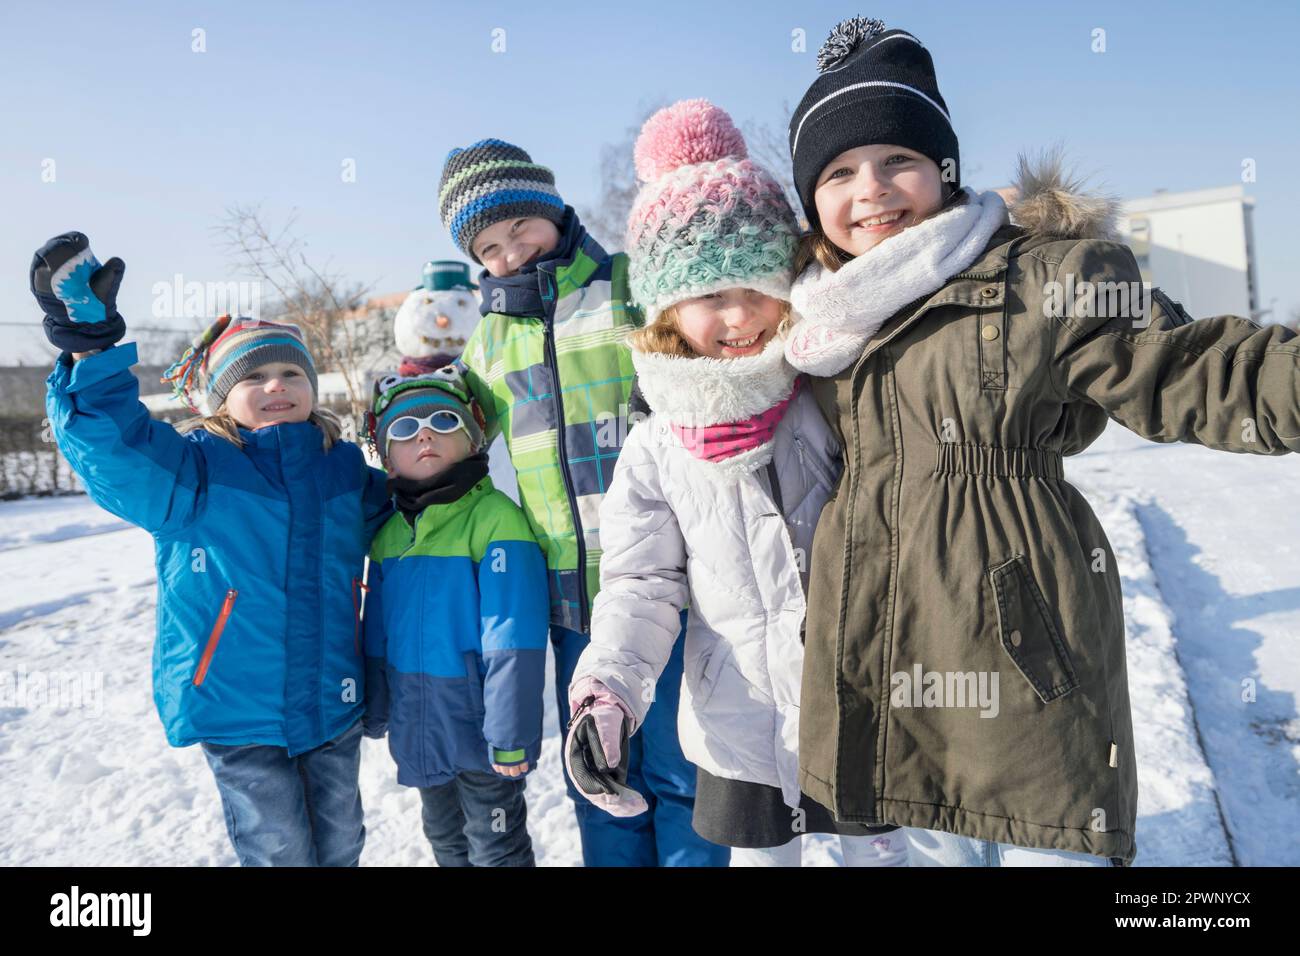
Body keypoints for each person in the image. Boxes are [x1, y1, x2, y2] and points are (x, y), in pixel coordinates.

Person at [783, 17, 1300, 866]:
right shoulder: (813, 324)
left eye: (897, 160)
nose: (870, 189)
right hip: (891, 684)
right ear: (813, 202)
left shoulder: (1045, 278)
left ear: (944, 173)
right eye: (838, 172)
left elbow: (1186, 368)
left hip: (1025, 672)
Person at [564, 100, 908, 867]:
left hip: (861, 710)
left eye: (758, 284)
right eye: (709, 294)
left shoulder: (832, 392)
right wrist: (608, 691)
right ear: (665, 308)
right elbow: (640, 584)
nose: (740, 315)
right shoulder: (655, 447)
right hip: (739, 726)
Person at [33, 231, 390, 866]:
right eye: (254, 376)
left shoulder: (343, 472)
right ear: (220, 399)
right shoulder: (196, 473)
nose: (276, 384)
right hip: (235, 704)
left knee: (341, 842)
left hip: (332, 696)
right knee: (279, 848)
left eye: (289, 372)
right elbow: (116, 448)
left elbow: (409, 517)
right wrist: (93, 347)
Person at [439, 141, 727, 865]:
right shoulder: (488, 344)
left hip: (672, 591)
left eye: (520, 230)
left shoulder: (630, 287)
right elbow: (447, 432)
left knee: (683, 773)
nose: (509, 254)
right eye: (488, 246)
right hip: (571, 603)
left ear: (553, 211)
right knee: (601, 780)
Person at [361, 367, 548, 866]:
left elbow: (515, 639)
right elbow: (375, 634)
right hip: (420, 725)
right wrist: (378, 705)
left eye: (444, 421)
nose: (424, 433)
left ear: (472, 442)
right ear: (386, 460)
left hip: (482, 730)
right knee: (445, 840)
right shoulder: (388, 537)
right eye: (403, 429)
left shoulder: (497, 521)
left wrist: (509, 736)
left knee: (496, 845)